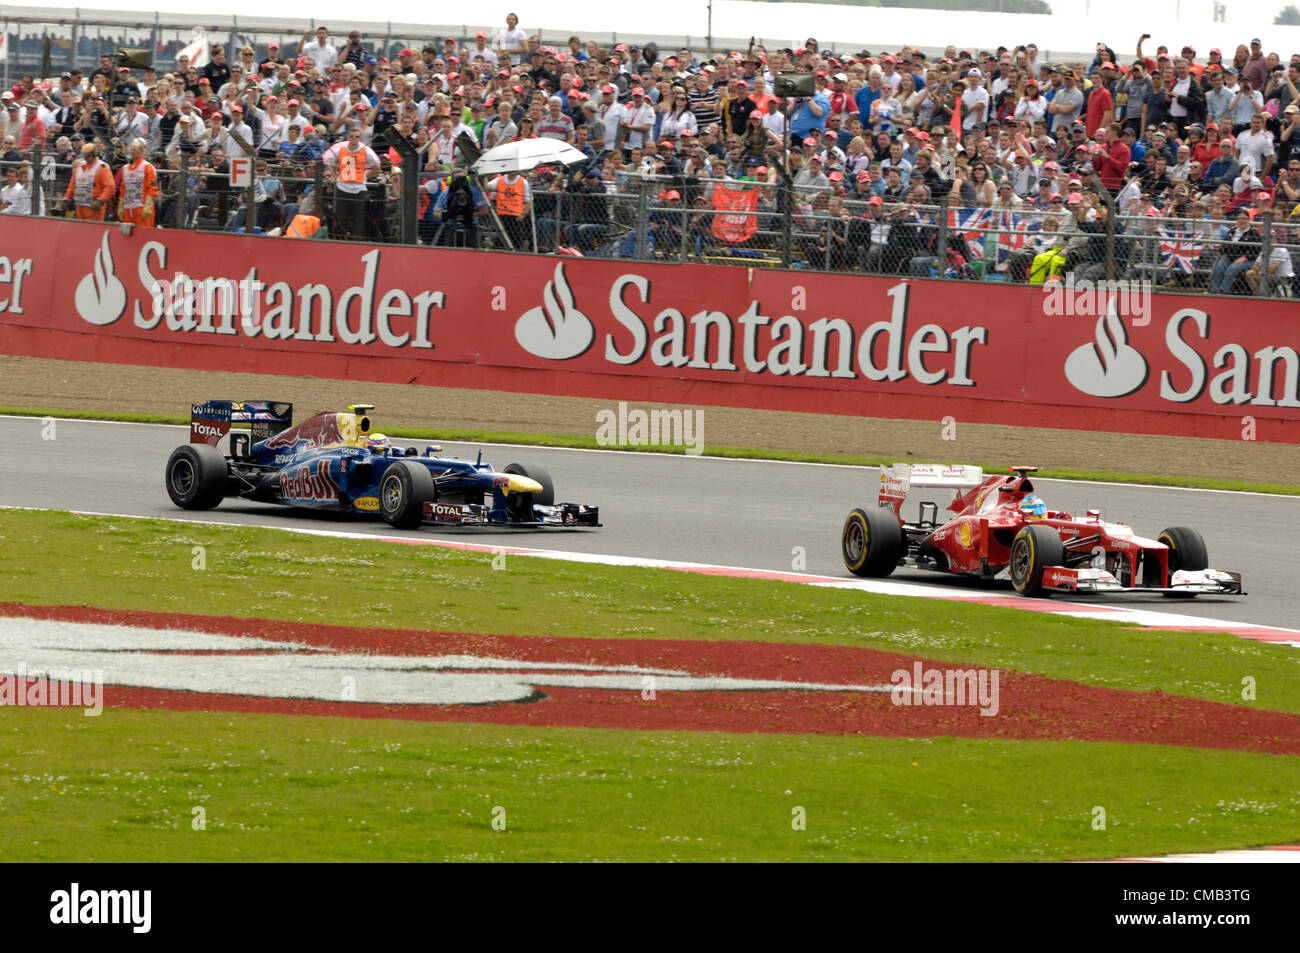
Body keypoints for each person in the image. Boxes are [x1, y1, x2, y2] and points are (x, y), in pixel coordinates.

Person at [322, 124, 380, 240]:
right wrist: (337, 175)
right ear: (348, 137)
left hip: (359, 189)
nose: (354, 139)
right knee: (340, 217)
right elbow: (332, 165)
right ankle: (341, 240)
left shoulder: (366, 152)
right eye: (351, 136)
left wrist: (364, 177)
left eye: (356, 136)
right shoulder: (339, 151)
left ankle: (356, 241)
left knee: (358, 219)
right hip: (342, 188)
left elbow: (376, 168)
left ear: (360, 138)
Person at [63, 142, 115, 220]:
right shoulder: (79, 167)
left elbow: (110, 187)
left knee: (93, 230)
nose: (85, 158)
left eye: (87, 156)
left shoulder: (103, 167)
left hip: (93, 207)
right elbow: (72, 186)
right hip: (80, 206)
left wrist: (100, 200)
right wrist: (67, 198)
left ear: (93, 155)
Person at [118, 138, 159, 226]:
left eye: (135, 149)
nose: (132, 151)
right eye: (131, 149)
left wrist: (147, 206)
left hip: (142, 208)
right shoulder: (125, 168)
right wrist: (121, 205)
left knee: (144, 234)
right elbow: (122, 188)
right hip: (128, 208)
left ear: (142, 151)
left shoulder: (147, 167)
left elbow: (152, 188)